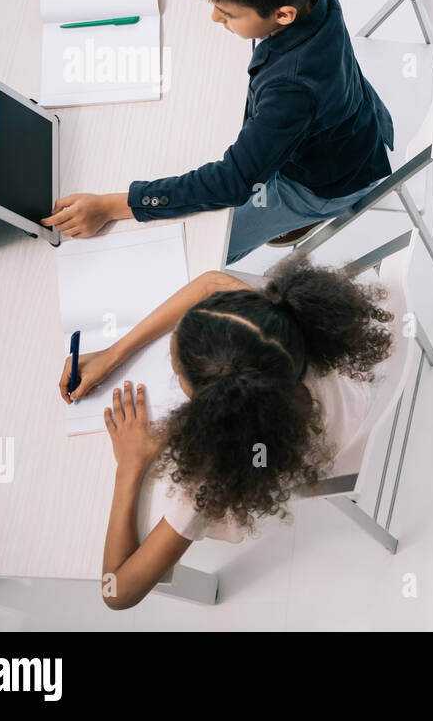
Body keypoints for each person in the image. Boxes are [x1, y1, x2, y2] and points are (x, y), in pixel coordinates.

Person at [41, 0, 394, 263]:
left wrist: (112, 206)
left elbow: (232, 183)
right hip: (347, 120)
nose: (215, 18)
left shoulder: (292, 90)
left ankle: (297, 218)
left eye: (228, 13)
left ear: (283, 14)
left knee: (203, 249)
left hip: (320, 182)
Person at [57, 252, 393, 609]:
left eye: (176, 369)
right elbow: (210, 283)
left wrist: (130, 466)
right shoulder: (272, 332)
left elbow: (117, 592)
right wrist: (113, 352)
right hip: (358, 401)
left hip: (337, 445)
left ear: (212, 405)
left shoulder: (212, 480)